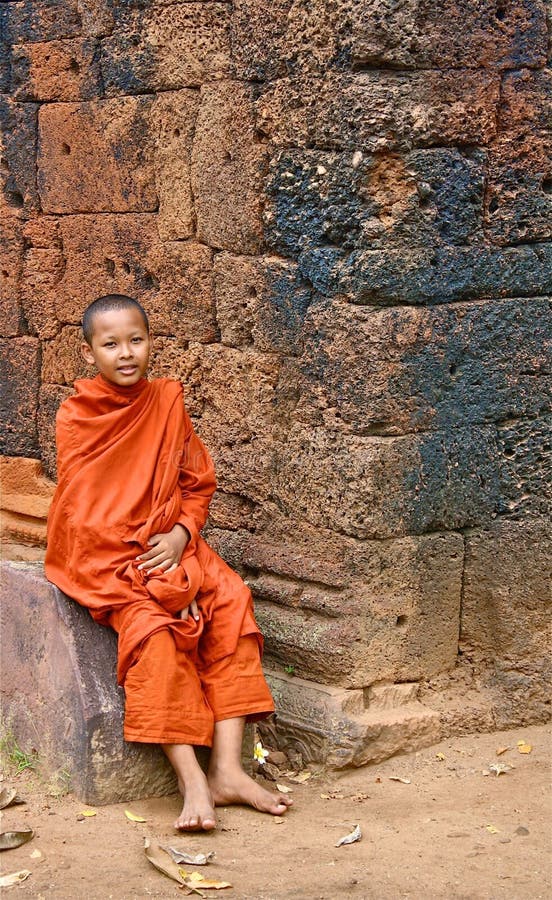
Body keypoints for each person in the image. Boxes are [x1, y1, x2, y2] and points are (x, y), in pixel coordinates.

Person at [45, 293, 292, 831]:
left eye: (137, 340)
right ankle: (192, 779)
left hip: (172, 543)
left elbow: (195, 484)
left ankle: (227, 768)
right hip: (111, 560)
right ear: (89, 354)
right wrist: (156, 576)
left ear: (151, 343)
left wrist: (181, 535)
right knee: (156, 633)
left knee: (230, 600)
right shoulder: (78, 415)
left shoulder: (166, 403)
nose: (126, 353)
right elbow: (85, 514)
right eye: (111, 344)